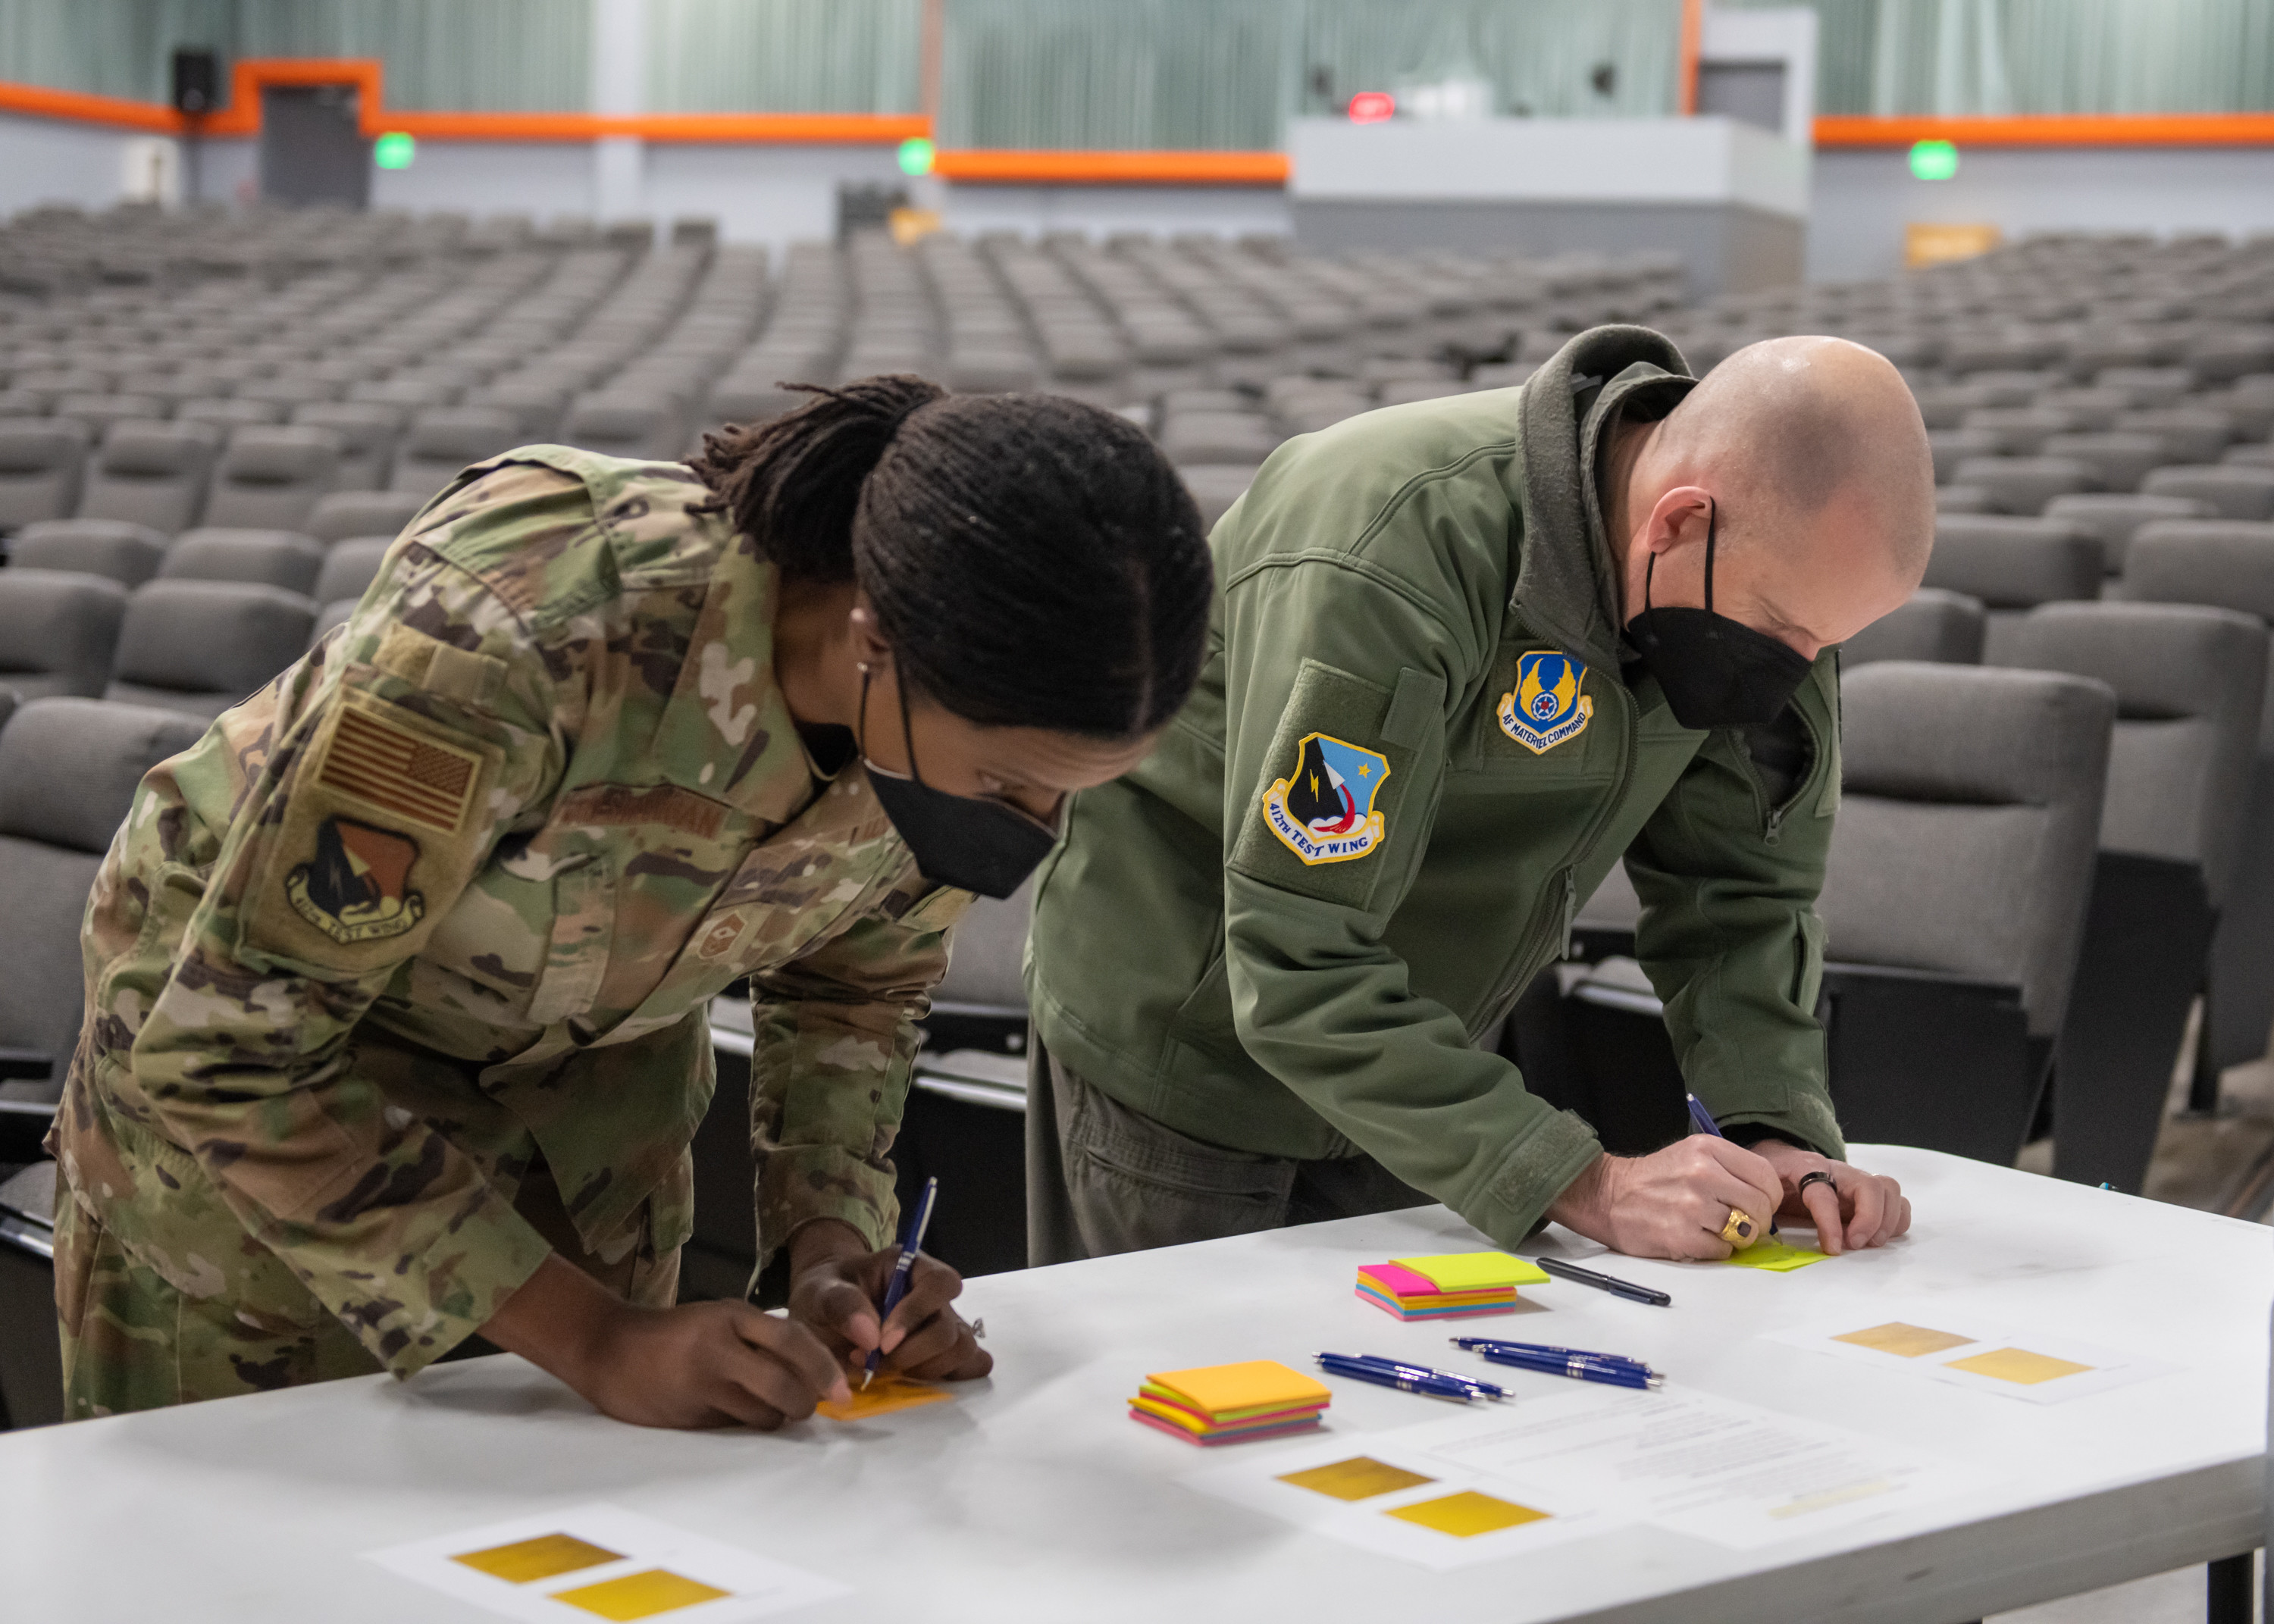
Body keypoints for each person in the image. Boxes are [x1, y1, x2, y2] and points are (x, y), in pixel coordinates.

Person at [53, 376, 1214, 1427]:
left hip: (587, 1120)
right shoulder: (531, 623)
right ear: (875, 639)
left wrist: (833, 1251)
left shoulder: (941, 723)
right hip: (274, 1141)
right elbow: (232, 1047)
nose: (1033, 827)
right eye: (1010, 783)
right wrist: (596, 1338)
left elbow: (852, 999)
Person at [1024, 326, 1931, 1267]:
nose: (1797, 669)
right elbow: (1297, 961)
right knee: (1204, 1399)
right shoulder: (1389, 551)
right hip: (1189, 1063)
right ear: (1678, 523)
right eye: (1783, 630)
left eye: (1825, 643)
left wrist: (1773, 1130)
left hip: (1422, 1068)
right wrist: (1586, 1182)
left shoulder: (1763, 581)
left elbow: (1739, 900)